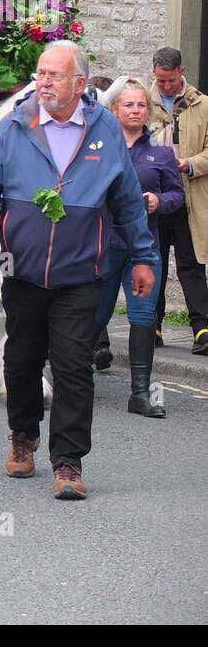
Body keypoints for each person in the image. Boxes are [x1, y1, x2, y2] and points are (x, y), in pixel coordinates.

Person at [0, 41, 156, 500]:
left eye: (54, 75)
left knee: (74, 367)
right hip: (22, 269)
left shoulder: (105, 130)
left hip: (82, 272)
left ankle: (68, 463)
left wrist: (144, 256)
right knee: (22, 360)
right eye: (41, 73)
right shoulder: (14, 125)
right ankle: (23, 436)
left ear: (79, 84)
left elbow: (128, 202)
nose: (43, 82)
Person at [92, 77, 182, 417]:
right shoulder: (98, 149)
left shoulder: (161, 153)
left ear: (148, 111)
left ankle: (141, 394)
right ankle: (74, 380)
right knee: (94, 315)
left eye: (141, 105)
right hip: (104, 245)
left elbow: (178, 195)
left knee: (143, 316)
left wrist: (160, 200)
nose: (135, 110)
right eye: (128, 104)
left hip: (145, 248)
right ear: (115, 110)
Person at [147, 46, 208, 353]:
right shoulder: (142, 104)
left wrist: (189, 163)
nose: (166, 86)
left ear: (182, 72)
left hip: (189, 198)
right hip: (154, 199)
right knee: (153, 261)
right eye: (160, 81)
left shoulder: (204, 105)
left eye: (170, 80)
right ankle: (152, 327)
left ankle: (202, 329)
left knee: (191, 264)